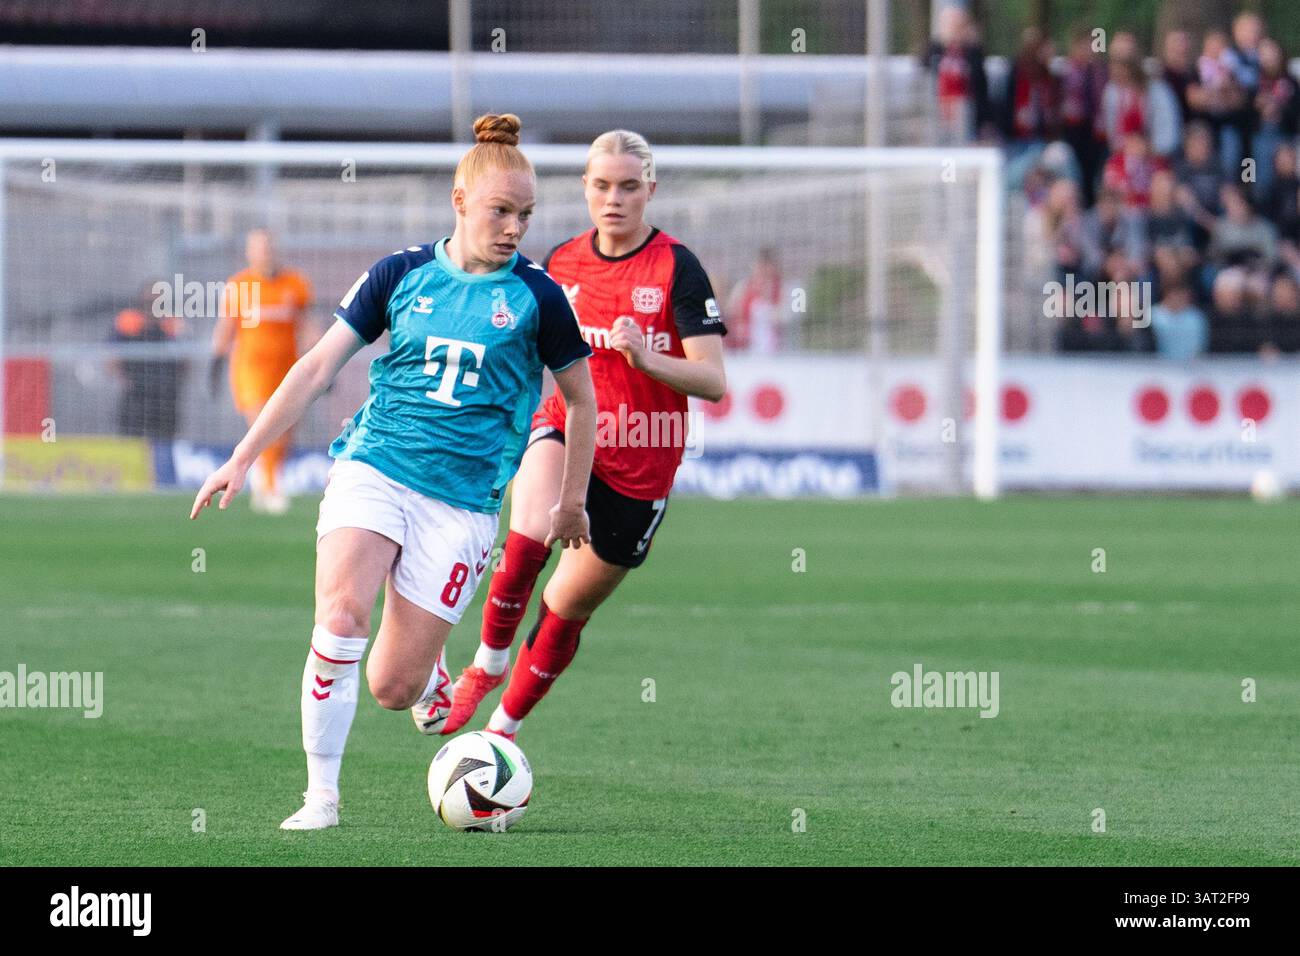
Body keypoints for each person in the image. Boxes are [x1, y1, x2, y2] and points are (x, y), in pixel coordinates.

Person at [188, 114, 597, 830]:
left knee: (391, 686)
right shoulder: (399, 273)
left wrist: (571, 502)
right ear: (460, 201)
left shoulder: (537, 297)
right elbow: (317, 366)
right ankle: (321, 798)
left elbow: (581, 399)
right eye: (501, 210)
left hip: (464, 504)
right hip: (373, 466)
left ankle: (430, 671)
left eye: (525, 214)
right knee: (342, 618)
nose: (514, 227)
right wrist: (242, 455)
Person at [440, 128, 727, 741]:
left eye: (628, 186)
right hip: (568, 428)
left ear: (650, 188)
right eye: (601, 185)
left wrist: (647, 360)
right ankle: (487, 661)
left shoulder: (677, 267)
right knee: (528, 531)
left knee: (564, 610)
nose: (613, 198)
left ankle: (501, 732)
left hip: (641, 464)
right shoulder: (562, 263)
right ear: (584, 189)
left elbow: (713, 381)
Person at [209, 228, 314, 514]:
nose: (263, 252)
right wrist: (216, 363)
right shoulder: (239, 285)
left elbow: (306, 327)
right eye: (257, 247)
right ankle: (268, 488)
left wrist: (320, 363)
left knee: (285, 432)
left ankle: (267, 479)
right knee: (263, 427)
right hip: (251, 370)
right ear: (249, 252)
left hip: (288, 369)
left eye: (267, 246)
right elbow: (226, 328)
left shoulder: (295, 284)